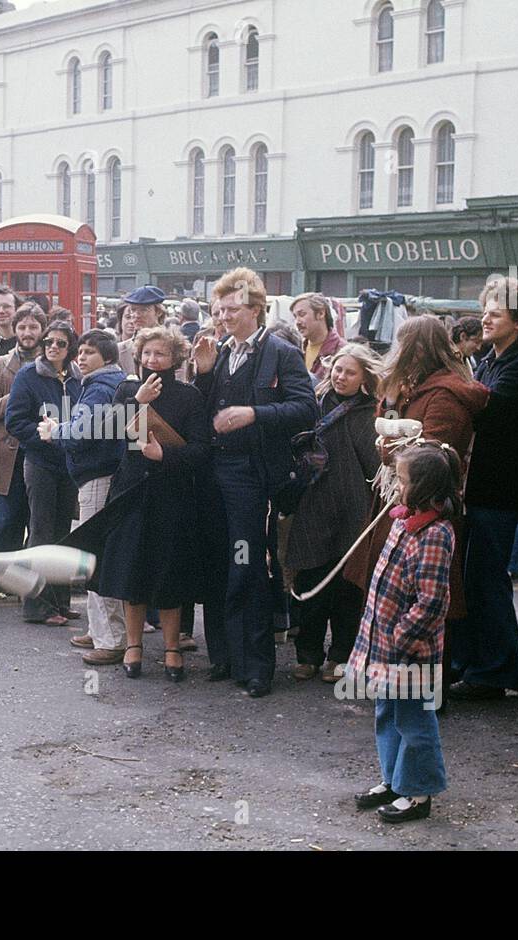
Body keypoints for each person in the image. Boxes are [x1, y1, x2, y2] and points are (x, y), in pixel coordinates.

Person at [192, 267, 318, 698]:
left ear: (256, 309)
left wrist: (254, 414)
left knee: (247, 564)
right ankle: (224, 658)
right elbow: (205, 412)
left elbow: (307, 409)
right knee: (216, 563)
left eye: (232, 308)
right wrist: (205, 375)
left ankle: (256, 666)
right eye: (218, 309)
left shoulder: (281, 352)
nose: (223, 316)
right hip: (214, 476)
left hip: (251, 476)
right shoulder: (221, 352)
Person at [344, 315, 488, 626]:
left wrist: (387, 446)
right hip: (402, 499)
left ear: (417, 350)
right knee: (391, 588)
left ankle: (418, 666)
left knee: (417, 593)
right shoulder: (421, 386)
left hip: (424, 508)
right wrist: (392, 400)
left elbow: (430, 454)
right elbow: (390, 429)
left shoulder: (446, 394)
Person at [83, 326, 209, 680]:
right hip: (131, 490)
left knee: (168, 570)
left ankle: (171, 648)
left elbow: (201, 449)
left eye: (161, 354)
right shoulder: (126, 388)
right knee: (131, 569)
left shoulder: (189, 396)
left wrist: (164, 454)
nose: (153, 360)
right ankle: (134, 645)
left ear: (175, 359)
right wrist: (137, 401)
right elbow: (106, 432)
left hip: (172, 492)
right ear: (138, 355)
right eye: (147, 353)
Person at [349, 443, 461, 824]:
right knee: (387, 714)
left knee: (414, 722)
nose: (395, 486)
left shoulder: (435, 534)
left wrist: (400, 637)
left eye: (402, 480)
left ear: (425, 487)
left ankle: (419, 790)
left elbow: (431, 602)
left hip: (409, 651)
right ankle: (394, 779)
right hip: (384, 646)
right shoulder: (403, 521)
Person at [448, 277, 518, 700]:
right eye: (485, 308)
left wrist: (446, 386)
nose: (485, 317)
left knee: (488, 580)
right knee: (473, 580)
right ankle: (475, 665)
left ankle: (497, 670)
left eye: (496, 311)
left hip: (500, 491)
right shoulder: (494, 358)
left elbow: (484, 407)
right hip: (480, 489)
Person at [283, 343, 383, 682]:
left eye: (350, 372)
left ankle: (341, 655)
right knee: (312, 577)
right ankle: (307, 655)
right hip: (314, 505)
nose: (341, 377)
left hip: (356, 509)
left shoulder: (372, 413)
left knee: (347, 588)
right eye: (338, 369)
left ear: (364, 377)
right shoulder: (313, 404)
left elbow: (375, 466)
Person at [41, 328, 127, 663]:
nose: (80, 357)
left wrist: (53, 431)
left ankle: (109, 640)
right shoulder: (113, 382)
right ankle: (100, 629)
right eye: (80, 352)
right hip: (107, 475)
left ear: (106, 357)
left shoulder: (97, 388)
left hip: (97, 477)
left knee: (95, 557)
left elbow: (81, 433)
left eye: (89, 352)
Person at [6, 321, 82, 625]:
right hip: (40, 464)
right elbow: (15, 421)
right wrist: (47, 436)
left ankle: (61, 603)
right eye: (49, 342)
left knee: (63, 534)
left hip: (69, 465)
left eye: (61, 343)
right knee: (41, 533)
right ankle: (37, 607)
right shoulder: (28, 375)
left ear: (70, 348)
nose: (53, 347)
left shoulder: (77, 378)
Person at [0, 304, 46, 609]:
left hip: (41, 455)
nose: (27, 333)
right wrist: (16, 392)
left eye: (33, 327)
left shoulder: (55, 364)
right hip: (7, 458)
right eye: (22, 327)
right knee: (1, 523)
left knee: (35, 524)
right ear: (14, 330)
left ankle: (21, 584)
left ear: (42, 330)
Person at [291, 292, 345, 381]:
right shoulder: (295, 349)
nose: (297, 322)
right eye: (295, 316)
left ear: (320, 313)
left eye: (302, 314)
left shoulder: (341, 351)